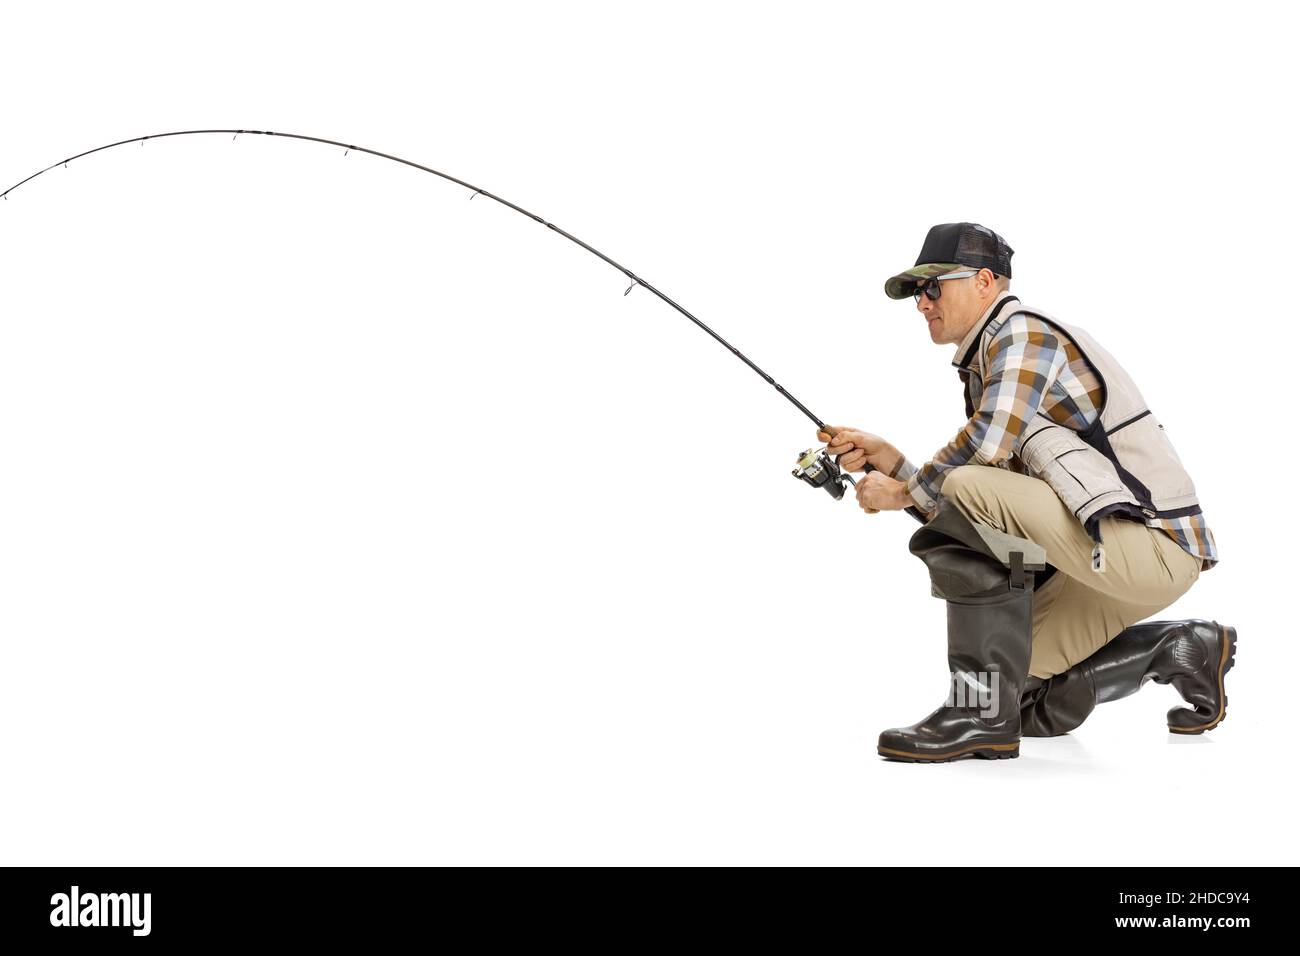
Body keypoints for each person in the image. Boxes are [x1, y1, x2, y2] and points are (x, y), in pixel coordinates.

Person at [821, 222, 1235, 762]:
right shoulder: (989, 361)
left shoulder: (1022, 334)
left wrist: (901, 491)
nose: (922, 304)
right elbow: (991, 502)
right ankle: (1177, 648)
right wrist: (895, 462)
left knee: (967, 483)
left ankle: (972, 718)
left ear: (986, 281)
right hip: (1100, 556)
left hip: (1151, 545)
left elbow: (985, 449)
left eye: (933, 287)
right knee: (1012, 689)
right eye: (917, 293)